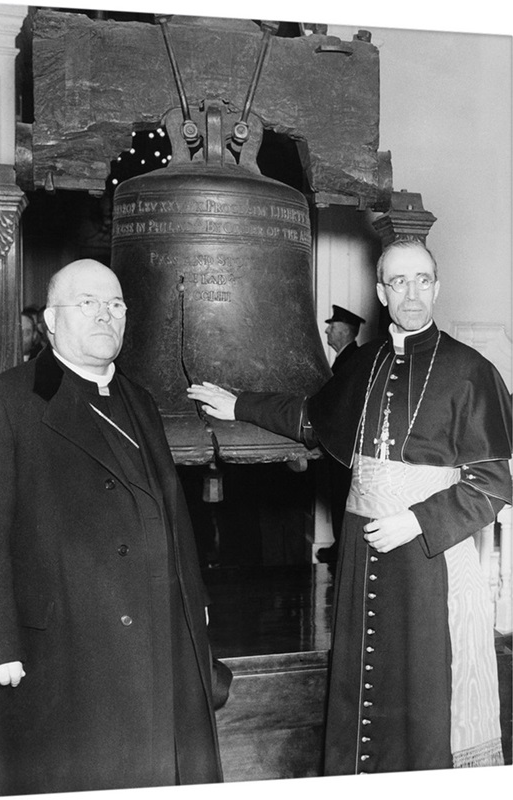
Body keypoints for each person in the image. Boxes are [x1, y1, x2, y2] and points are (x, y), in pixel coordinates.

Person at [187, 239, 512, 776]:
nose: (412, 293)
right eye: (399, 282)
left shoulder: (471, 370)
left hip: (429, 562)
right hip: (363, 556)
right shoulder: (365, 362)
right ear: (382, 292)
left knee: (423, 696)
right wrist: (240, 404)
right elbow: (312, 419)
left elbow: (493, 482)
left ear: (437, 287)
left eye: (422, 280)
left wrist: (417, 521)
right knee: (361, 685)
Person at [0, 259, 223, 796]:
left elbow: (171, 513)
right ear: (51, 321)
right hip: (66, 648)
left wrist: (197, 605)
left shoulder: (139, 399)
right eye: (88, 303)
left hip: (157, 635)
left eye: (116, 304)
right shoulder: (3, 400)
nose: (105, 314)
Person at [318, 305, 365, 565]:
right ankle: (341, 549)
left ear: (345, 331)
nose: (327, 331)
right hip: (342, 446)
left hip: (344, 447)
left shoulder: (351, 361)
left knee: (342, 498)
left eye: (332, 327)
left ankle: (342, 553)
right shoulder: (347, 359)